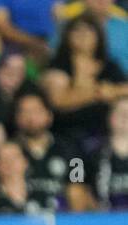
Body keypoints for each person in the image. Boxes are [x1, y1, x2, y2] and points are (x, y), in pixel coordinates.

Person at [43, 13, 128, 151]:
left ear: (99, 36)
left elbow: (125, 89)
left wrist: (112, 91)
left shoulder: (110, 66)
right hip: (65, 136)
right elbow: (59, 100)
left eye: (89, 30)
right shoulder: (59, 65)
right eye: (77, 30)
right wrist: (100, 92)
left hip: (105, 136)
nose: (83, 34)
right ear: (67, 35)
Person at [12, 90, 96, 210]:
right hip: (20, 221)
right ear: (16, 117)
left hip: (61, 220)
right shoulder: (9, 151)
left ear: (49, 116)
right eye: (24, 112)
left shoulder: (71, 151)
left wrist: (75, 224)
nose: (30, 118)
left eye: (36, 111)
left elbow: (78, 189)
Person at [0, 140, 43, 212]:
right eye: (3, 159)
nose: (9, 163)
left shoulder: (42, 192)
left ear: (25, 162)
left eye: (14, 157)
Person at [94, 95, 128, 206]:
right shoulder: (92, 154)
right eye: (120, 112)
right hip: (104, 219)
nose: (125, 117)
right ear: (111, 118)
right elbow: (78, 188)